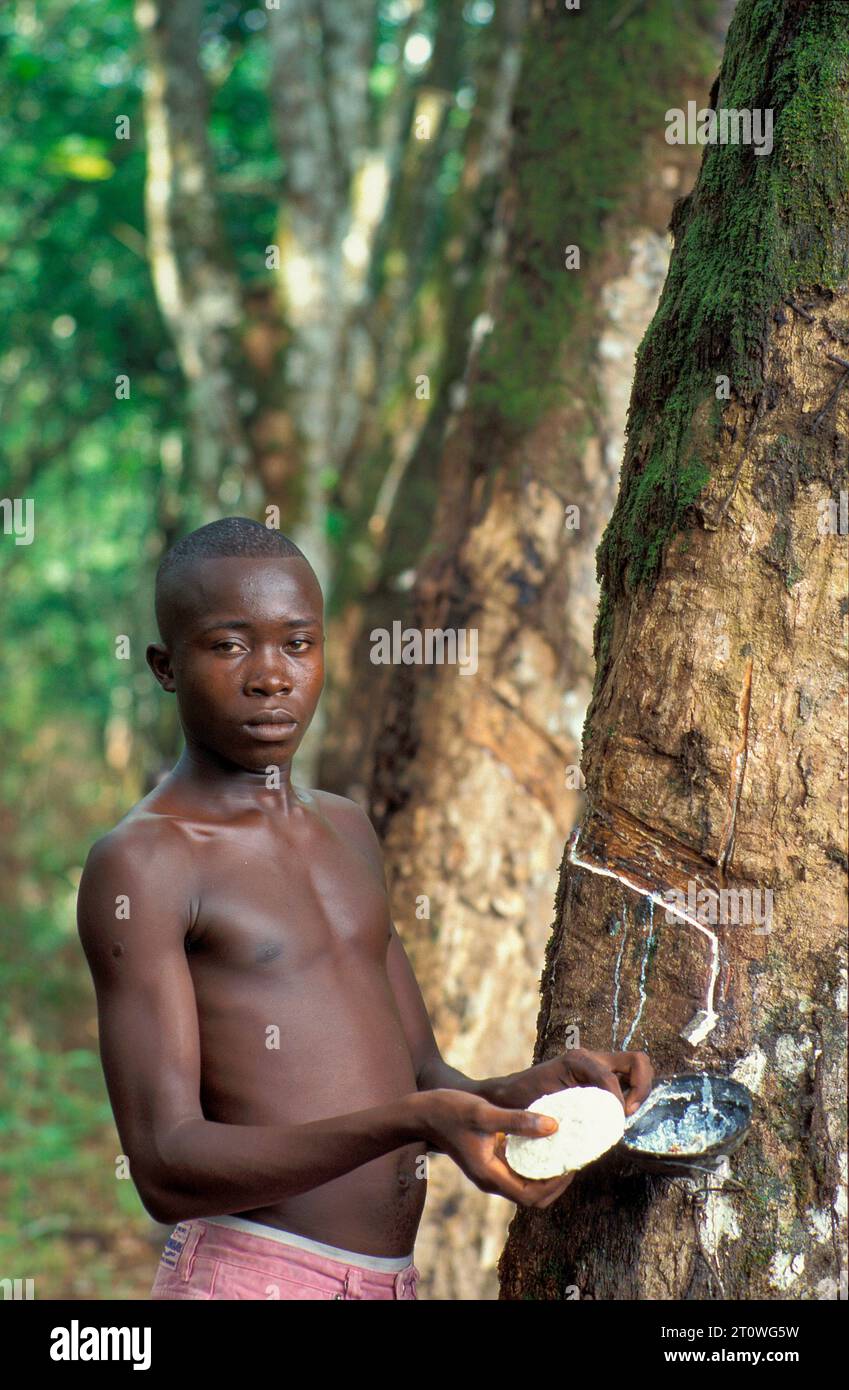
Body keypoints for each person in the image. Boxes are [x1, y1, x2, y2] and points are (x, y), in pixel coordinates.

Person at [77, 516, 653, 1301]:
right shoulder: (145, 862)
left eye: (297, 644)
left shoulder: (345, 828)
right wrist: (412, 1120)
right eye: (228, 645)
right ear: (165, 666)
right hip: (251, 1278)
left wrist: (530, 1097)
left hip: (390, 1286)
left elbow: (420, 1074)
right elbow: (165, 1166)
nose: (270, 675)